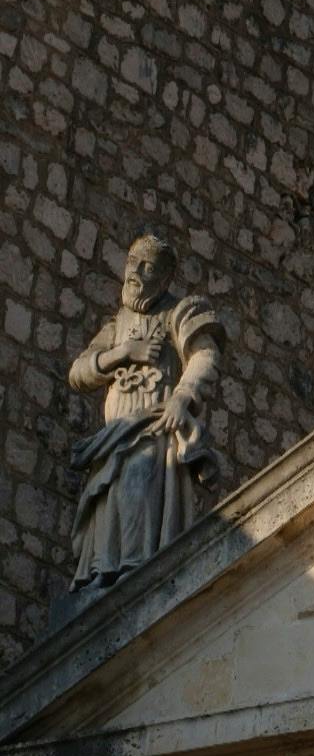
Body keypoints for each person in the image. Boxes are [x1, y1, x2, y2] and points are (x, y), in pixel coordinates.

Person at [67, 233, 223, 589]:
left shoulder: (179, 312)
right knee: (108, 509)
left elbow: (206, 355)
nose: (134, 272)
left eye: (147, 266)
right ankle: (105, 580)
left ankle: (134, 582)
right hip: (113, 438)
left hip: (153, 427)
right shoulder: (118, 325)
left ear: (165, 277)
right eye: (132, 263)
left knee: (137, 486)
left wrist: (183, 396)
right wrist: (125, 353)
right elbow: (78, 373)